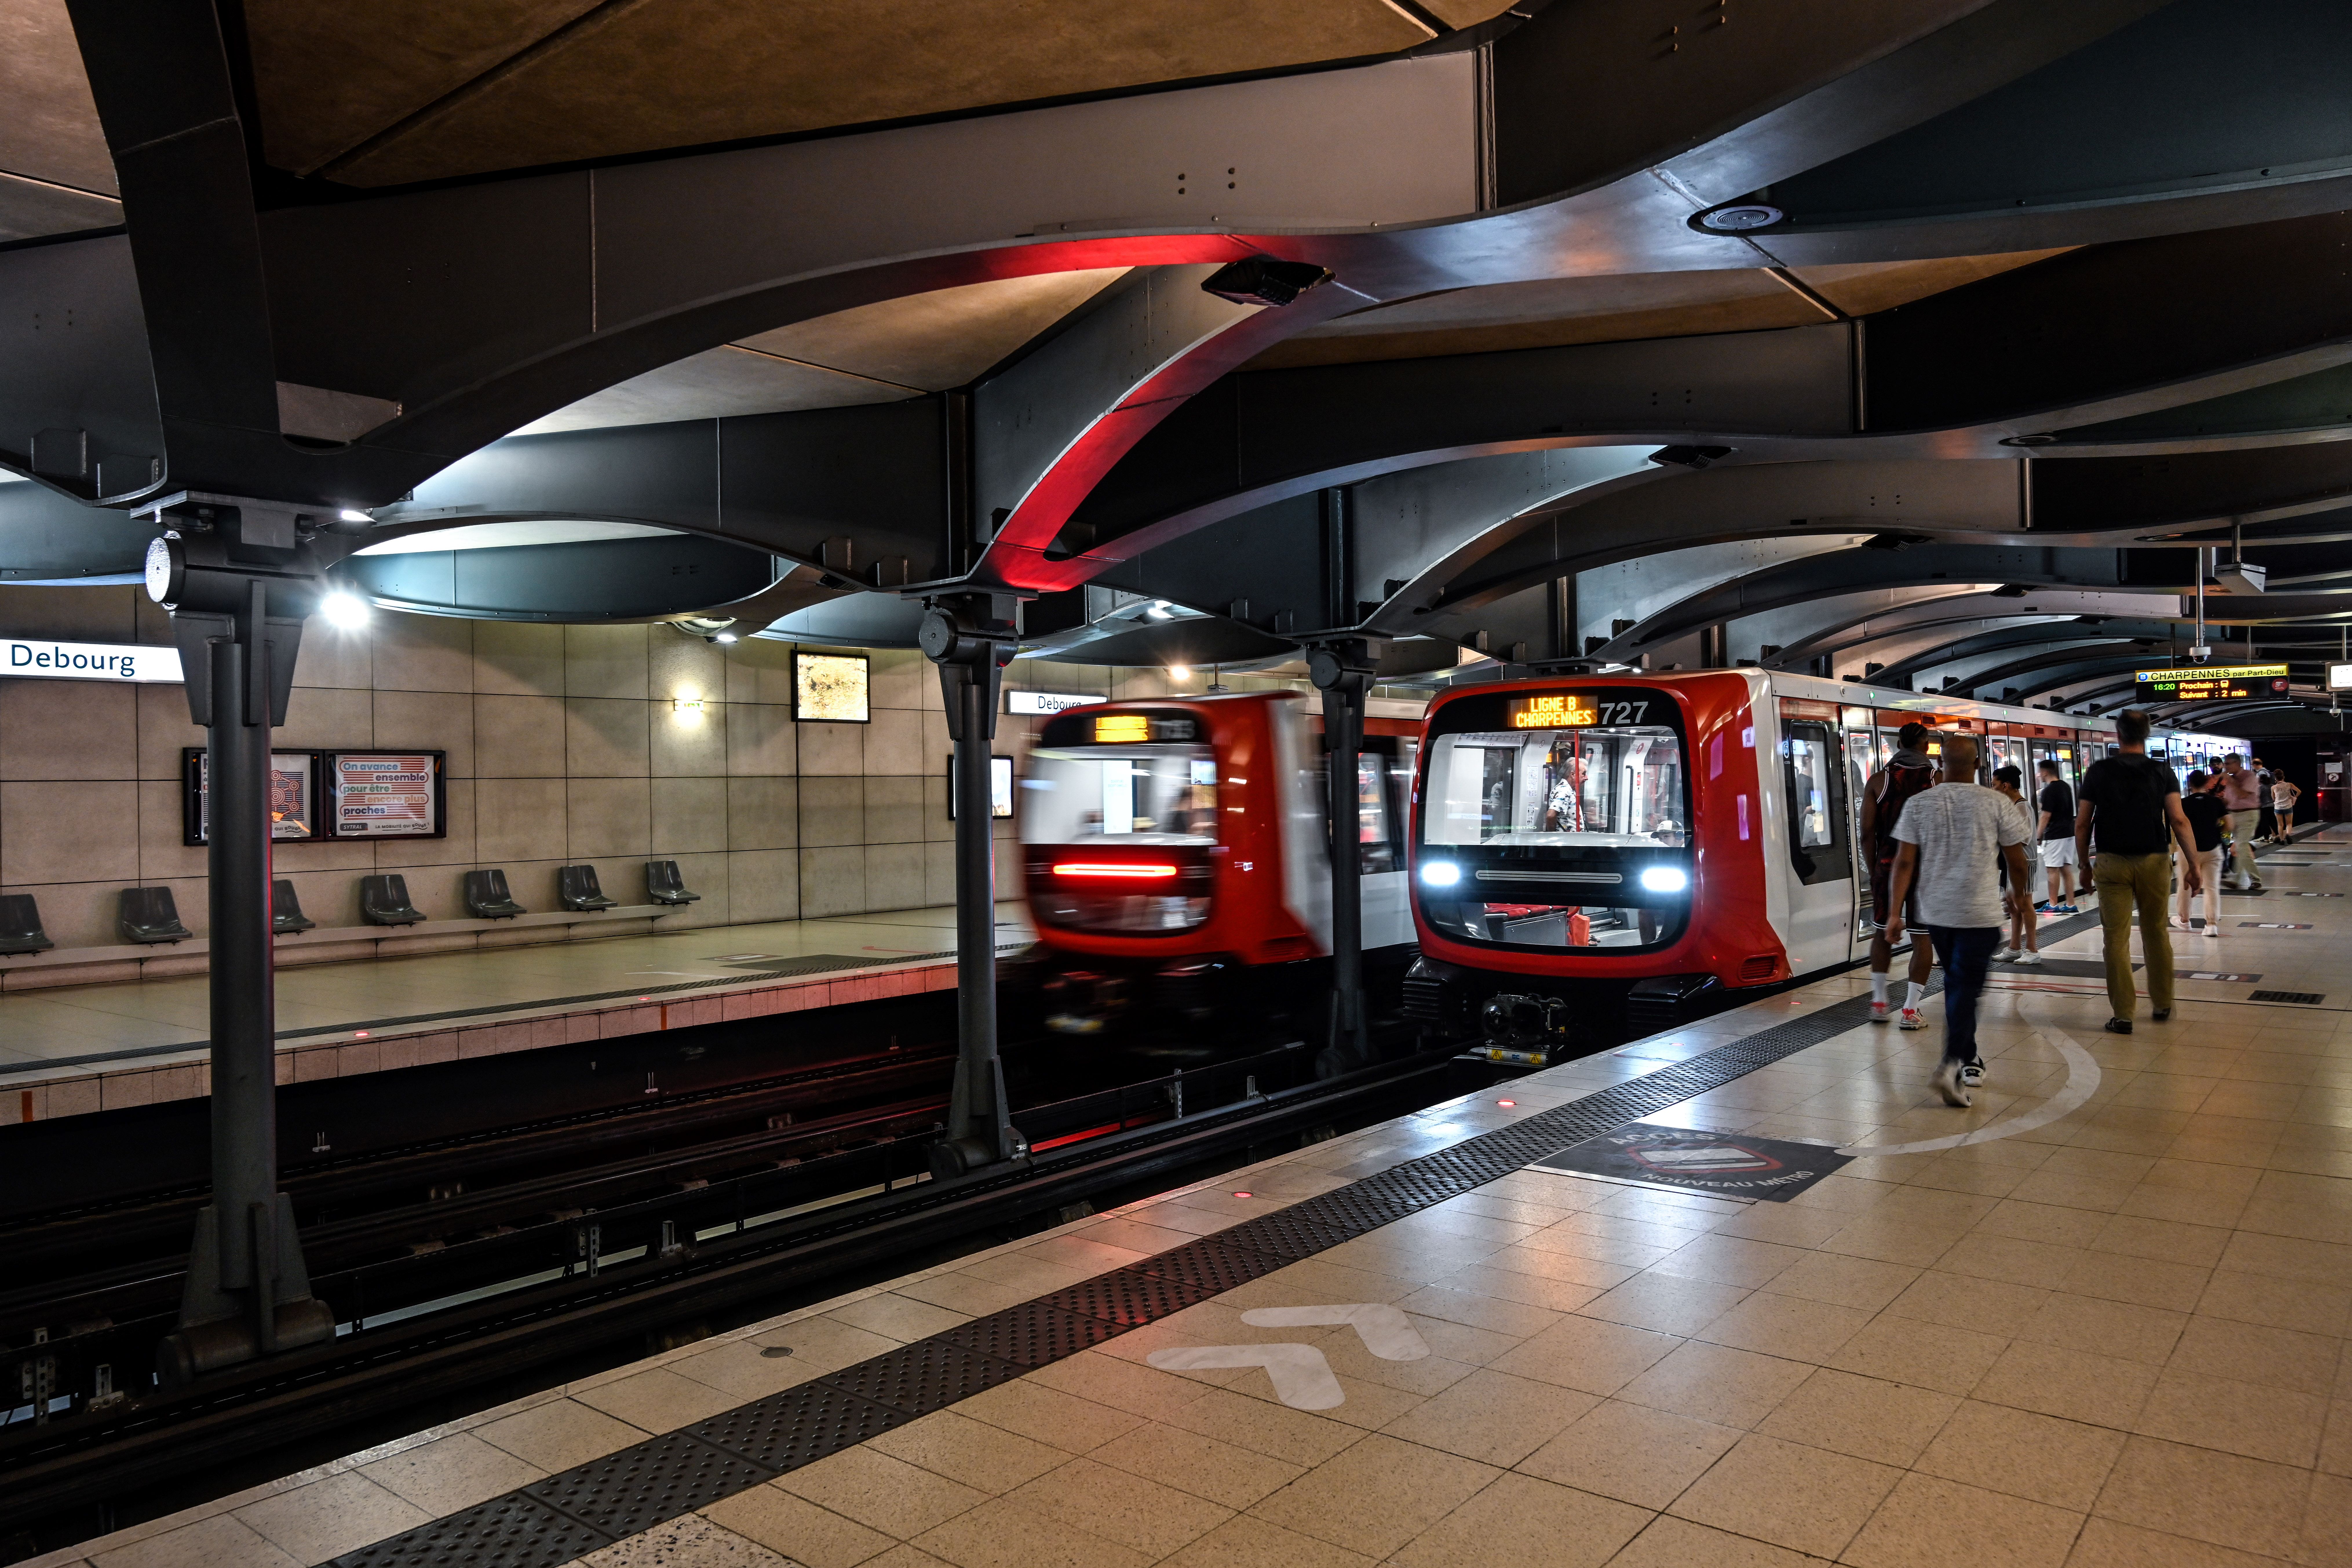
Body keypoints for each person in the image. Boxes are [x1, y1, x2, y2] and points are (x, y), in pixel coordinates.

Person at [1884, 735, 2030, 1107]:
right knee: (1966, 987)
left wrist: (1894, 912)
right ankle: (1951, 1064)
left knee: (1956, 983)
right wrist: (2019, 894)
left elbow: (1903, 862)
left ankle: (1970, 1057)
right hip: (1978, 913)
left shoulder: (1919, 804)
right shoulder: (1998, 802)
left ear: (1940, 765)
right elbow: (2017, 859)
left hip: (1936, 914)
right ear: (1979, 764)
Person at [2077, 711, 2205, 1034]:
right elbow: (2178, 820)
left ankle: (2123, 1015)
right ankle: (2162, 1004)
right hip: (2154, 860)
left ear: (2117, 735)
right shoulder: (2162, 771)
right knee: (2156, 933)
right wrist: (2195, 865)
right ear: (2145, 736)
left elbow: (2082, 823)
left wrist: (2083, 865)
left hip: (2111, 862)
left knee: (2115, 939)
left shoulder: (2098, 771)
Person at [1861, 722, 1939, 1028]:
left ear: (1898, 744)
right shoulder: (1936, 780)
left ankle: (1879, 1003)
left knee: (1881, 932)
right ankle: (1910, 1010)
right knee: (1922, 938)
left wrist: (1874, 867)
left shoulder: (1878, 781)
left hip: (1887, 865)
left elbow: (1867, 832)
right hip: (1925, 869)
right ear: (1926, 745)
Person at [1990, 765, 2043, 965]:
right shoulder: (2009, 806)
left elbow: (2022, 837)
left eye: (1994, 785)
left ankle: (2032, 949)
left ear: (2005, 786)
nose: (1992, 788)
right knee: (2013, 907)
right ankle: (2014, 947)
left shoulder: (2022, 806)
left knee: (2024, 904)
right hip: (2010, 863)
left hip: (2024, 862)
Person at [2174, 769, 2225, 937]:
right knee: (2211, 887)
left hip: (2189, 851)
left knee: (2185, 885)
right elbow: (2230, 825)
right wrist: (2216, 833)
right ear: (2206, 784)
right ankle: (2211, 926)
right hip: (2213, 850)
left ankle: (2184, 921)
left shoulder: (2182, 804)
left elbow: (2178, 826)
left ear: (2190, 785)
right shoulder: (2217, 802)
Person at [2035, 760, 2079, 912]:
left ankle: (2053, 905)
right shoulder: (2066, 787)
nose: (2039, 775)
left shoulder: (2049, 791)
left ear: (2045, 772)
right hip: (2069, 834)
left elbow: (2046, 816)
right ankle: (2071, 904)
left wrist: (2038, 836)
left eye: (2040, 772)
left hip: (2055, 835)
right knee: (2067, 870)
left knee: (2052, 870)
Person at [2218, 755, 2265, 889]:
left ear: (2237, 763)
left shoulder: (2249, 777)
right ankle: (2247, 879)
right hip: (2234, 815)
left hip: (2248, 814)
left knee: (2241, 845)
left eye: (2228, 764)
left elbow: (2243, 795)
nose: (2225, 767)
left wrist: (2230, 781)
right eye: (2225, 764)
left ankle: (2248, 879)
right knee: (2240, 847)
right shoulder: (2231, 779)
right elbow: (2229, 800)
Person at [2271, 771, 2302, 843]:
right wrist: (2294, 797)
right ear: (2284, 777)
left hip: (2278, 808)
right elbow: (2299, 792)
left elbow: (2273, 799)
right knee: (2289, 824)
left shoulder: (2273, 787)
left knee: (2280, 824)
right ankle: (2288, 834)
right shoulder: (2289, 785)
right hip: (2288, 806)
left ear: (2276, 779)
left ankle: (2282, 840)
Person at [2254, 758, 2278, 844]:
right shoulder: (2271, 786)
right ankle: (2277, 835)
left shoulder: (2260, 787)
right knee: (2273, 821)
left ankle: (2267, 838)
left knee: (2265, 823)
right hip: (2273, 805)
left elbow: (2258, 796)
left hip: (2264, 806)